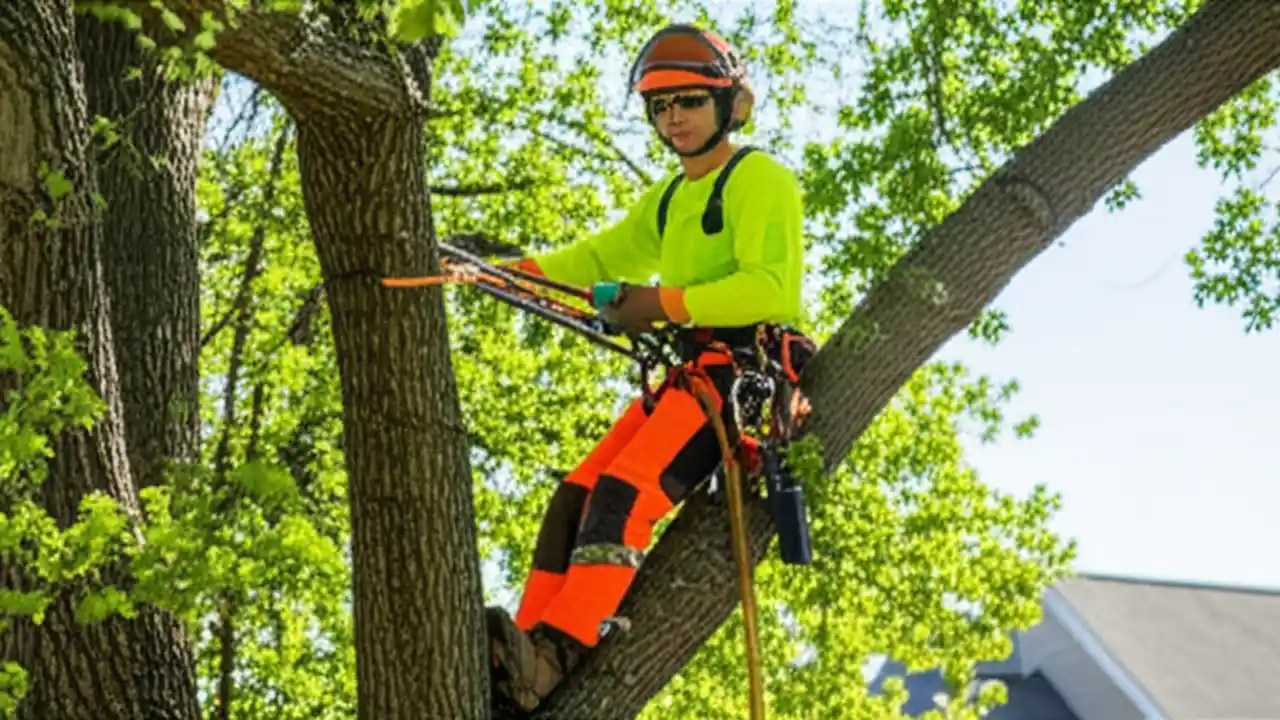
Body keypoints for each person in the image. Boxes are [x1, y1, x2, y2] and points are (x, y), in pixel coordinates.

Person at [486, 23, 805, 711]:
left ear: (728, 103)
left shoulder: (759, 179)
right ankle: (520, 646)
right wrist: (511, 276)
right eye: (661, 107)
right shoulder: (669, 199)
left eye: (688, 100)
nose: (674, 118)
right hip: (690, 377)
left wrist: (659, 302)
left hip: (738, 379)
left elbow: (770, 289)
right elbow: (597, 258)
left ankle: (557, 653)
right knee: (576, 491)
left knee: (625, 493)